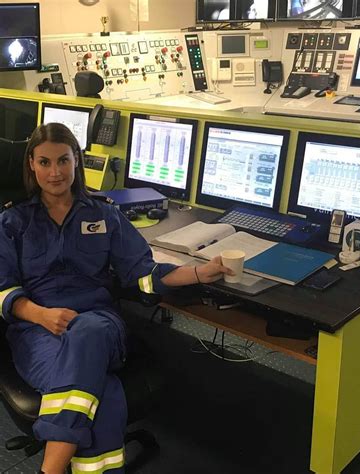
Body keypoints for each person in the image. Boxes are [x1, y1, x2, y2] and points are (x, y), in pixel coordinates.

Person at [0, 122, 233, 473]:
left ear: (76, 161)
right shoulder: (12, 220)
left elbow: (142, 272)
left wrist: (200, 272)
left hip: (101, 327)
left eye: (63, 160)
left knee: (89, 331)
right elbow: (2, 286)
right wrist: (39, 315)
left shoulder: (103, 214)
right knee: (102, 392)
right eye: (45, 162)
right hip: (37, 332)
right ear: (31, 164)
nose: (55, 171)